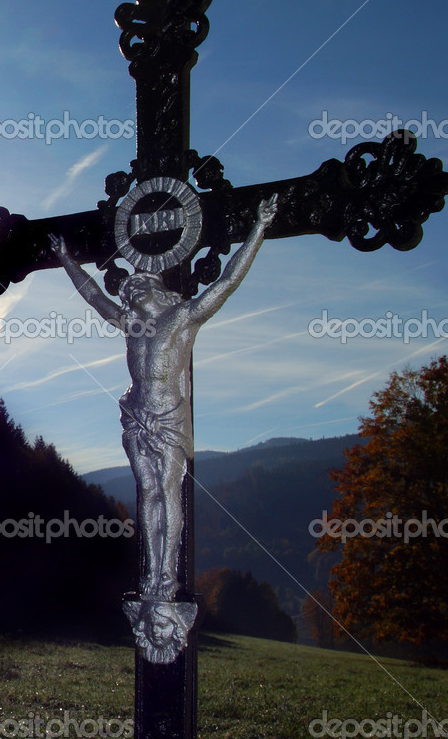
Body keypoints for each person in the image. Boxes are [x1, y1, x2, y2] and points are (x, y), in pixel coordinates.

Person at [48, 193, 277, 601]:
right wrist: (67, 260)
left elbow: (226, 282)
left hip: (169, 418)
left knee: (169, 492)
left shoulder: (182, 317)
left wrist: (258, 229)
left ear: (155, 287)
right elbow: (94, 297)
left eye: (138, 286)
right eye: (129, 290)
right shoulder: (131, 324)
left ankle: (167, 576)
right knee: (148, 493)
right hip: (137, 419)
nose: (130, 292)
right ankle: (151, 576)